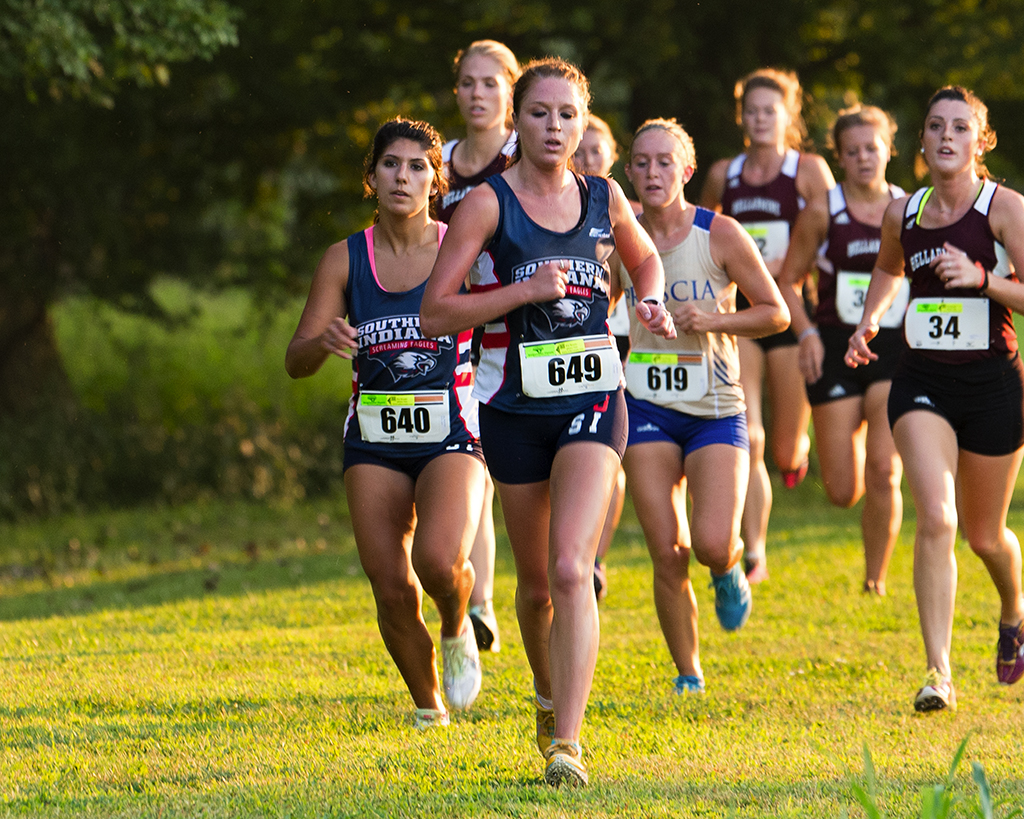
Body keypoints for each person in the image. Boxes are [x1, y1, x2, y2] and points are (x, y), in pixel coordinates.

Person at [421, 58, 675, 787]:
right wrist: (519, 290)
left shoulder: (604, 194)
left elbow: (646, 257)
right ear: (517, 121)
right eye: (539, 113)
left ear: (583, 121)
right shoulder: (485, 205)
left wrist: (649, 298)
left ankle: (568, 741)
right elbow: (437, 309)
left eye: (568, 114)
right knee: (535, 588)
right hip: (512, 409)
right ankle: (545, 691)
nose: (554, 127)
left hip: (595, 397)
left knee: (572, 569)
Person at [285, 118, 485, 729]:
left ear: (435, 179)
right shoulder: (344, 259)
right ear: (370, 178)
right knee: (392, 587)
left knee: (437, 559)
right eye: (391, 165)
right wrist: (323, 338)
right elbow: (296, 361)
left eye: (418, 166)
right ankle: (429, 709)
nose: (404, 177)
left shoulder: (464, 246)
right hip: (373, 440)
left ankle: (457, 622)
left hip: (453, 433)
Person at [847, 86, 1024, 712]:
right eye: (935, 127)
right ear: (920, 142)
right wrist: (869, 322)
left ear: (981, 141)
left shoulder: (1004, 209)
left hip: (994, 386)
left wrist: (983, 279)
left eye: (960, 128)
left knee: (985, 536)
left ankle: (1013, 609)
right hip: (922, 381)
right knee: (938, 517)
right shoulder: (905, 212)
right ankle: (938, 672)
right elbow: (889, 271)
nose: (946, 136)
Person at [614, 119, 788, 694]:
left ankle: (729, 567)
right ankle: (688, 672)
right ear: (630, 172)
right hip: (645, 406)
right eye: (641, 162)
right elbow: (602, 311)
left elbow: (775, 312)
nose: (652, 173)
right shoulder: (621, 239)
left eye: (665, 162)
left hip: (714, 405)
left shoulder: (720, 234)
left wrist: (712, 319)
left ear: (687, 172)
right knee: (667, 549)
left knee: (711, 542)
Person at [700, 68, 835, 583]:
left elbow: (832, 235)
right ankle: (753, 550)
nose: (759, 119)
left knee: (783, 448)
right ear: (742, 117)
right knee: (749, 438)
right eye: (751, 110)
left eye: (769, 110)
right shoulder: (722, 175)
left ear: (787, 117)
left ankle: (796, 456)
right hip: (744, 317)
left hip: (793, 312)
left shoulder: (809, 171)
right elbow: (700, 234)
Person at [778, 105, 905, 595]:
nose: (863, 158)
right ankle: (840, 444)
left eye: (871, 148)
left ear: (888, 150)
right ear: (840, 158)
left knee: (884, 469)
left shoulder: (910, 207)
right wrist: (806, 333)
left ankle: (875, 578)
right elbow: (788, 282)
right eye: (852, 152)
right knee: (841, 491)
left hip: (893, 348)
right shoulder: (822, 210)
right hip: (834, 346)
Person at [438, 40, 521, 654]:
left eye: (490, 83)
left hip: (524, 331)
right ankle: (483, 600)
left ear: (511, 91)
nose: (477, 94)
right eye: (468, 83)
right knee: (475, 465)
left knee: (502, 467)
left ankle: (496, 594)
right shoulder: (436, 163)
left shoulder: (531, 155)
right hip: (458, 330)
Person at [573, 114, 633, 602]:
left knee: (611, 461)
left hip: (629, 344)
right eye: (582, 150)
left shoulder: (626, 210)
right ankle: (575, 549)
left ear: (612, 156)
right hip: (575, 348)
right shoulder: (555, 212)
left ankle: (594, 557)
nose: (589, 158)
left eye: (598, 150)